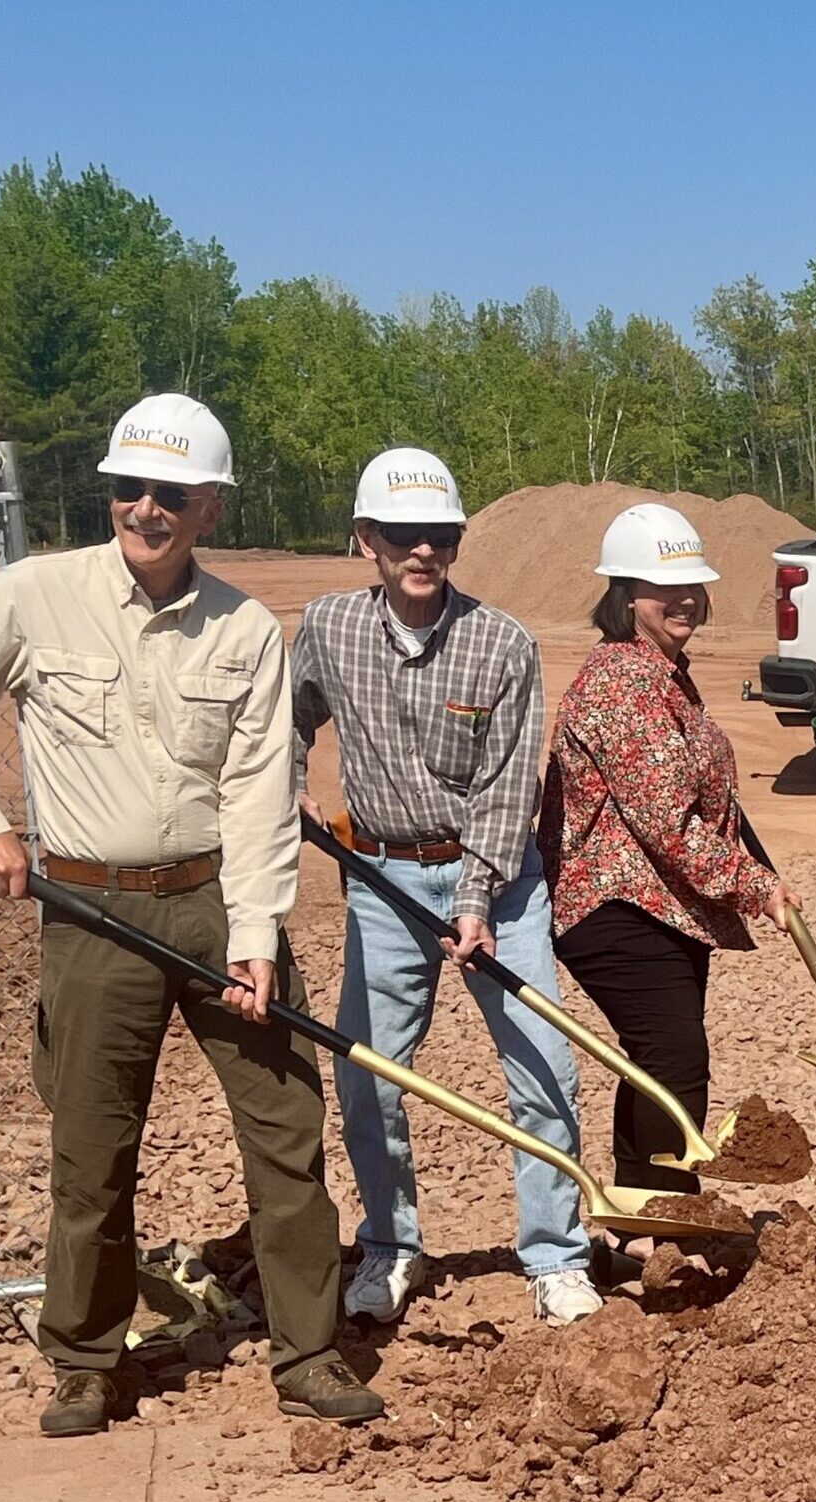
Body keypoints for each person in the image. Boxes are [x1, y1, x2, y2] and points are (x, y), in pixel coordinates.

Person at [0, 393, 379, 1434]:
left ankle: (309, 1352)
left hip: (211, 903)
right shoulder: (34, 598)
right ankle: (83, 1357)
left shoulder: (245, 628)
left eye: (169, 493)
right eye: (128, 488)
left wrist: (255, 937)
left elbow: (255, 791)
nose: (144, 508)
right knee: (93, 1147)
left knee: (287, 1132)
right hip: (87, 911)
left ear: (208, 506)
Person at [290, 449, 598, 1325]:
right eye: (401, 535)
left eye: (439, 536)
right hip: (382, 878)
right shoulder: (328, 626)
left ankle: (557, 1255)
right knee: (370, 1075)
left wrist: (473, 898)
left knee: (544, 1063)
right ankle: (390, 1244)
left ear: (458, 542)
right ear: (367, 542)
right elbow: (285, 713)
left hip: (497, 881)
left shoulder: (501, 641)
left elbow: (510, 786)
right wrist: (289, 778)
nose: (421, 551)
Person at [542, 503, 792, 1205]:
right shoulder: (623, 680)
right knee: (675, 1055)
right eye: (662, 588)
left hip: (662, 902)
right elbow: (668, 824)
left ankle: (640, 1211)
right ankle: (666, 1213)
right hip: (613, 899)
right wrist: (752, 885)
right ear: (624, 595)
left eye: (692, 586)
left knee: (657, 1057)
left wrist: (747, 868)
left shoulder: (664, 670)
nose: (683, 599)